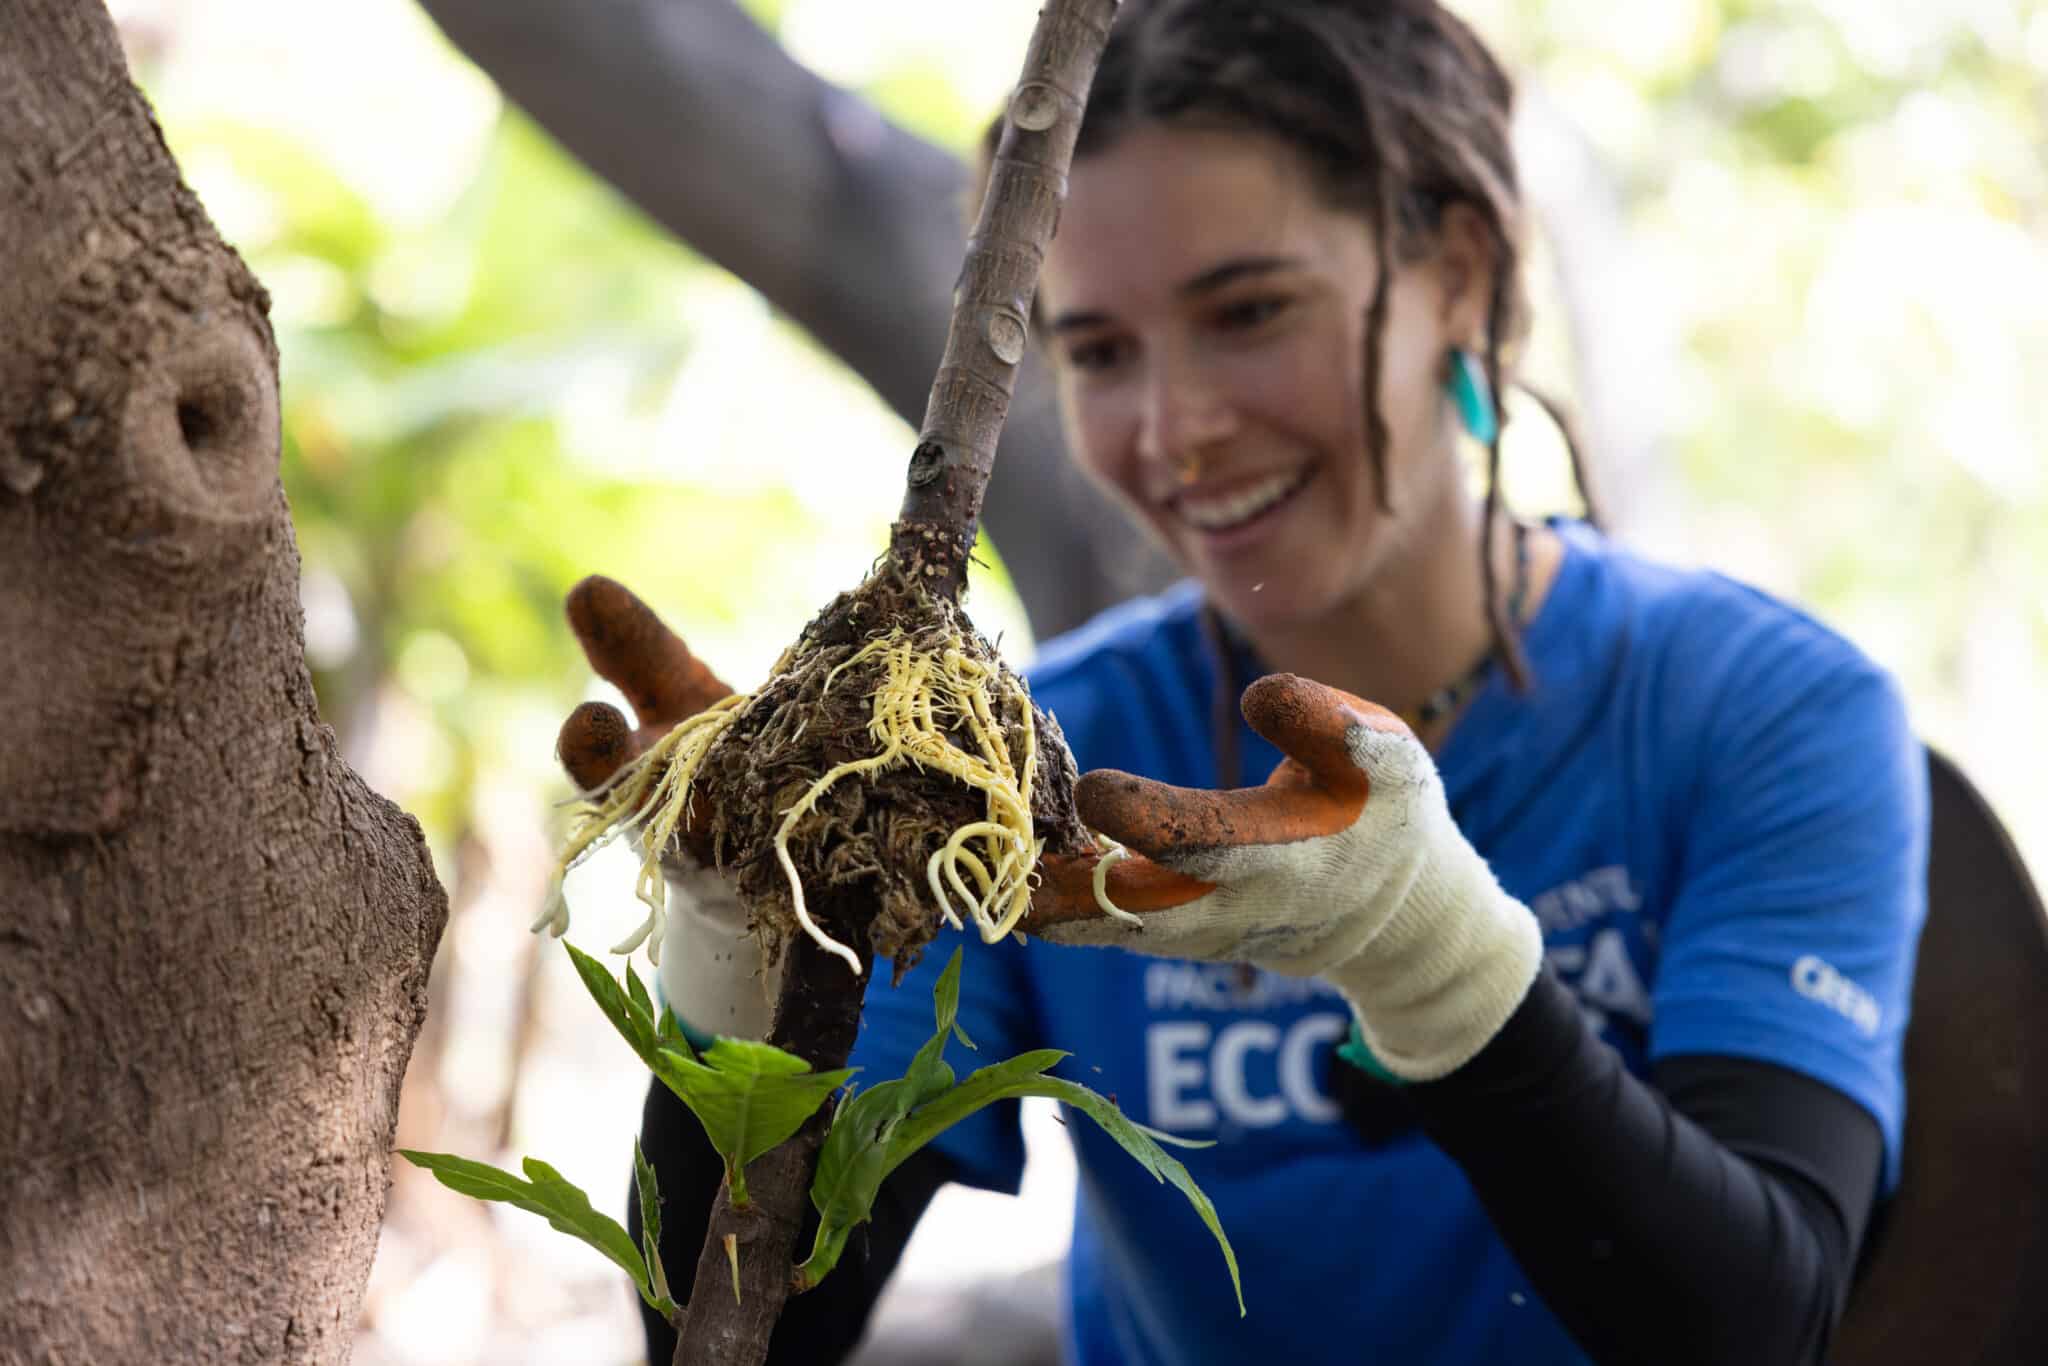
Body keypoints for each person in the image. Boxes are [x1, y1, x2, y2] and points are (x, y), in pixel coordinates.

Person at [555, 2, 1928, 1362]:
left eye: (1251, 310)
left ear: (1455, 265)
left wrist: (1428, 955)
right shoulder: (1022, 768)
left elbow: (1761, 1319)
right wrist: (744, 942)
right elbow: (755, 1333)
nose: (1179, 428)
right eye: (1098, 352)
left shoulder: (1763, 713)